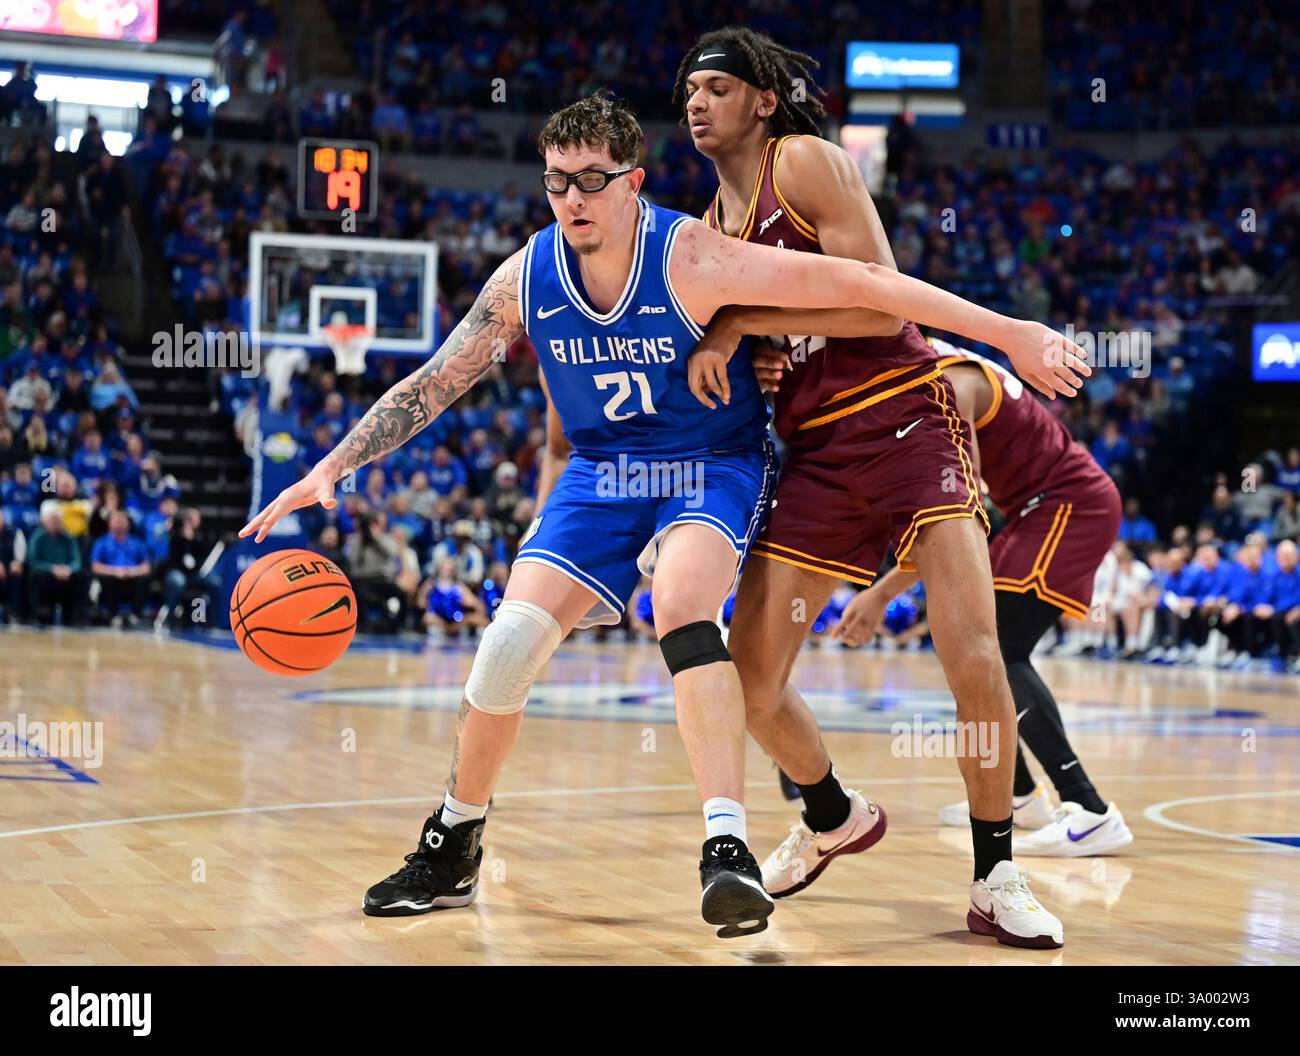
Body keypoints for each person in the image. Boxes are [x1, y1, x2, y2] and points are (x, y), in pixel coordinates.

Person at [240, 93, 1085, 937]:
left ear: (633, 183)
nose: (573, 199)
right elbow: (434, 380)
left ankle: (727, 848)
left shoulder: (691, 257)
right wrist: (333, 467)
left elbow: (864, 283)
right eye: (557, 182)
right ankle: (455, 839)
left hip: (707, 465)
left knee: (681, 603)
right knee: (505, 646)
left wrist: (1008, 331)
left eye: (592, 180)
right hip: (603, 473)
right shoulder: (525, 279)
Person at [674, 30, 1080, 945]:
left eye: (716, 86)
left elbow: (877, 298)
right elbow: (783, 338)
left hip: (904, 415)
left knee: (974, 655)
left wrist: (740, 320)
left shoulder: (806, 163)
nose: (697, 103)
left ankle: (995, 873)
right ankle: (830, 814)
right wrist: (763, 358)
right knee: (753, 681)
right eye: (688, 90)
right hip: (816, 449)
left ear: (763, 98)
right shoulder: (713, 215)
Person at [828, 340, 1132, 859]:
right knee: (971, 650)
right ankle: (1016, 795)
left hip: (1066, 505)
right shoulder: (944, 373)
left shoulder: (952, 385)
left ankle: (1090, 809)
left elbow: (955, 509)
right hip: (1031, 511)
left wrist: (880, 593)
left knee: (1001, 649)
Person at [90, 510, 152, 627]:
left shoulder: (138, 543)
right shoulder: (101, 542)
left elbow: (146, 567)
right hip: (111, 578)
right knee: (109, 580)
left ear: (128, 524)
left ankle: (135, 616)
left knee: (143, 579)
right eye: (117, 521)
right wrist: (115, 571)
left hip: (132, 577)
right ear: (109, 524)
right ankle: (113, 615)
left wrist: (131, 572)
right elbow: (95, 566)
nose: (120, 524)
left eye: (123, 521)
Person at [27, 501, 83, 626]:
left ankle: (73, 615)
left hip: (65, 574)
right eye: (52, 520)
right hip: (47, 573)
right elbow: (33, 561)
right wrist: (52, 569)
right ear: (45, 522)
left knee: (79, 576)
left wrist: (68, 569)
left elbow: (77, 561)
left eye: (58, 520)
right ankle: (39, 612)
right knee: (36, 575)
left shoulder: (68, 538)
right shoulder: (38, 537)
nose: (55, 523)